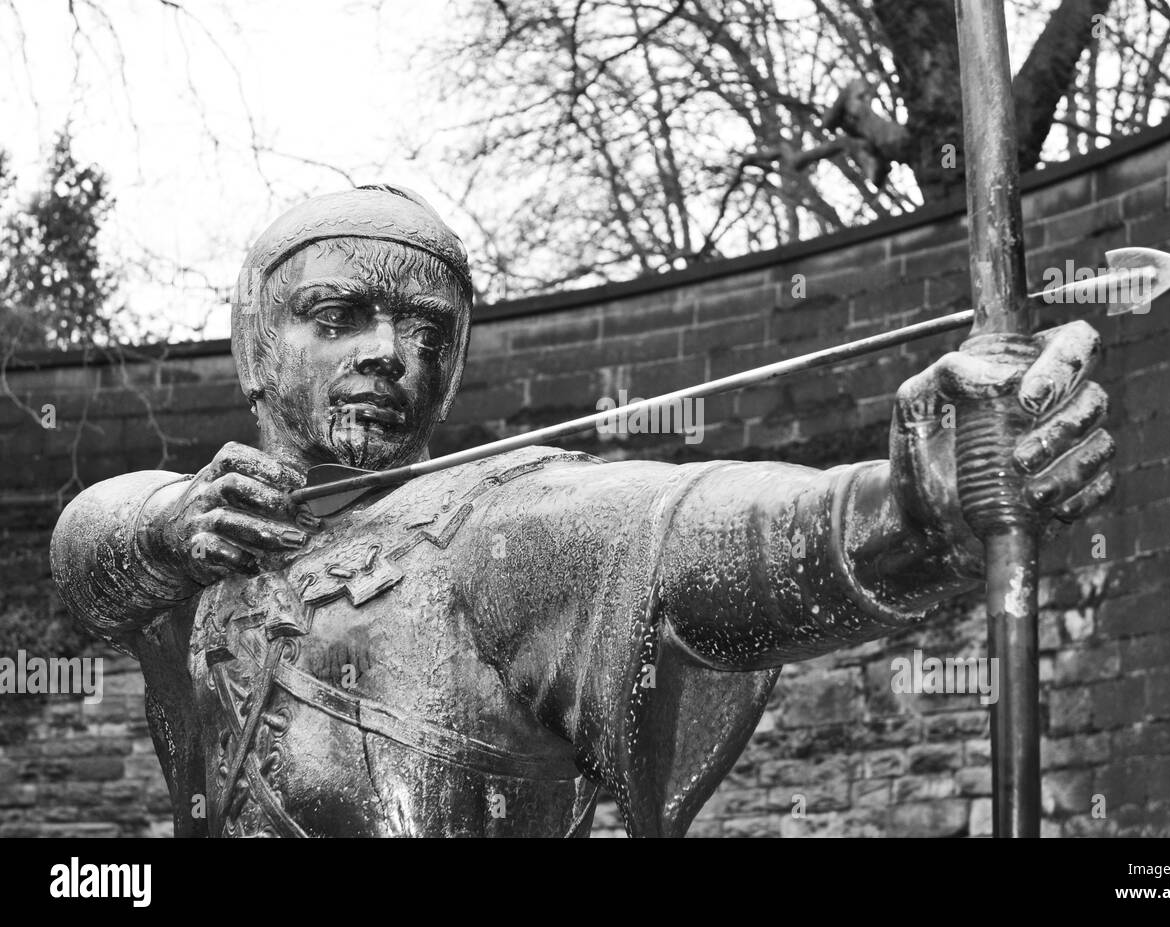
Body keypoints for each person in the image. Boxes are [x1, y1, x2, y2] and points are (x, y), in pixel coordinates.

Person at [50, 185, 1113, 837]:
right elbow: (90, 547)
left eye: (424, 327)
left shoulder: (508, 527)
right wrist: (173, 526)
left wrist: (910, 512)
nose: (389, 351)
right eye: (338, 317)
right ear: (254, 348)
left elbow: (715, 531)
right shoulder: (205, 546)